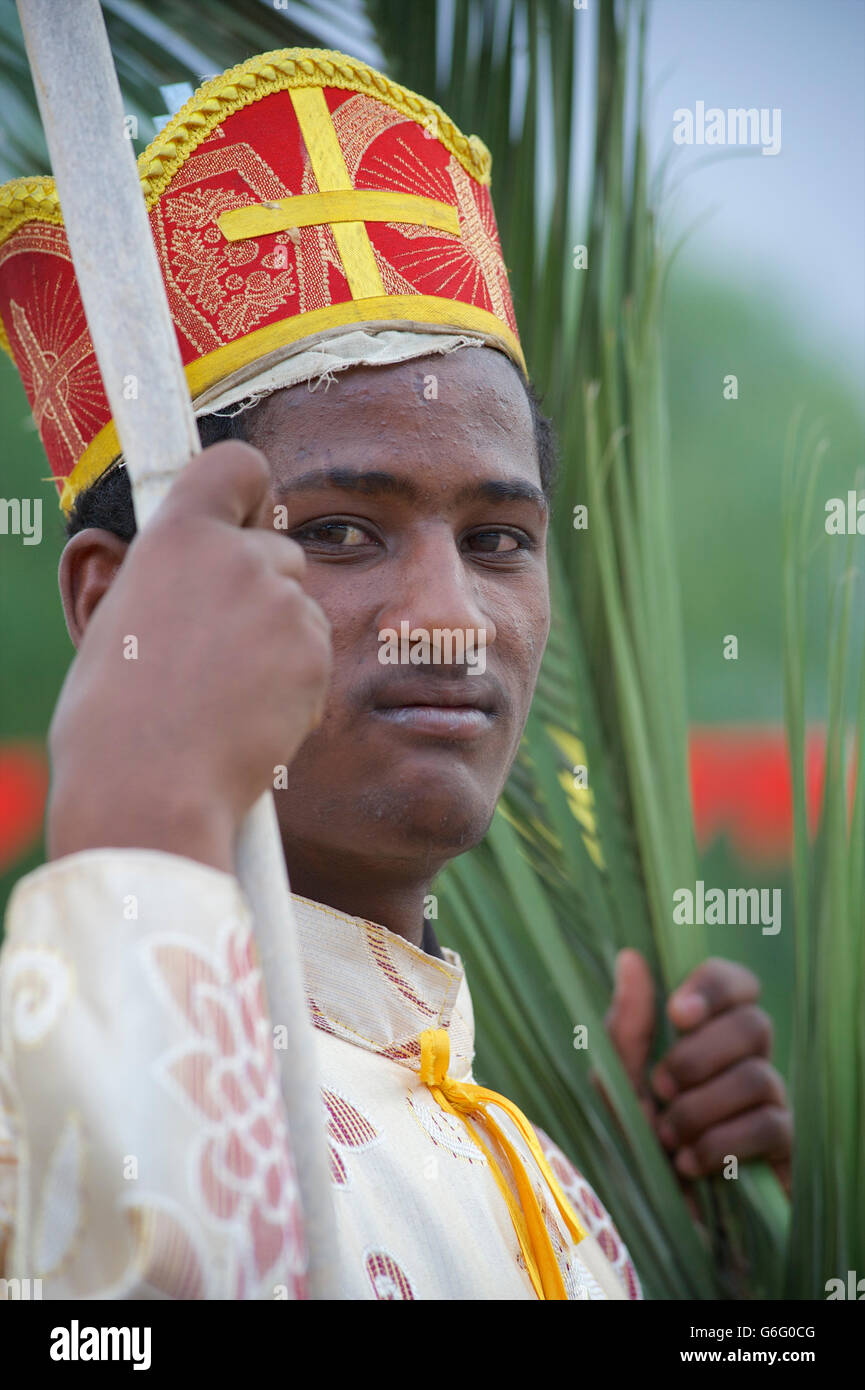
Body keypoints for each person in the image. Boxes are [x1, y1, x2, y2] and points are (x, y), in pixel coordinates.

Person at [0, 46, 791, 1301]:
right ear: (113, 602)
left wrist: (733, 1244)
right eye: (336, 533)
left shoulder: (550, 1176)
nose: (448, 619)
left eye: (497, 542)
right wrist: (137, 822)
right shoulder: (27, 1107)